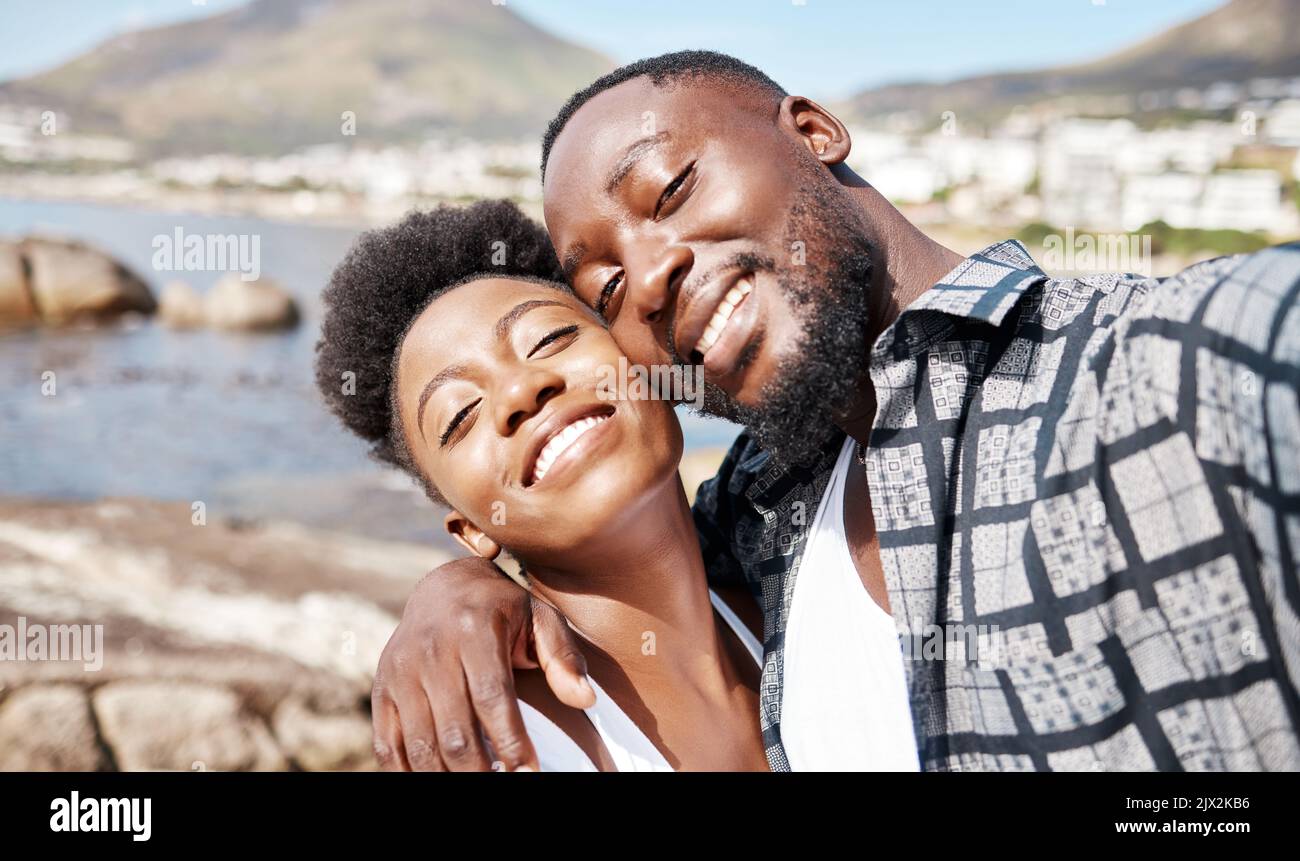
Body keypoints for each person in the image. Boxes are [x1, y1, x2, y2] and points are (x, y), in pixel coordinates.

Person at [373, 51, 1300, 772]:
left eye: (670, 191)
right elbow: (619, 558)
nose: (649, 274)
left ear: (814, 130)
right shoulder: (771, 503)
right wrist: (460, 591)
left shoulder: (1163, 362)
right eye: (607, 285)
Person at [314, 200, 769, 771]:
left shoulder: (783, 594)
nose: (520, 393)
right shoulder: (511, 745)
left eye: (549, 339)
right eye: (460, 416)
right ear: (472, 532)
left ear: (642, 361)